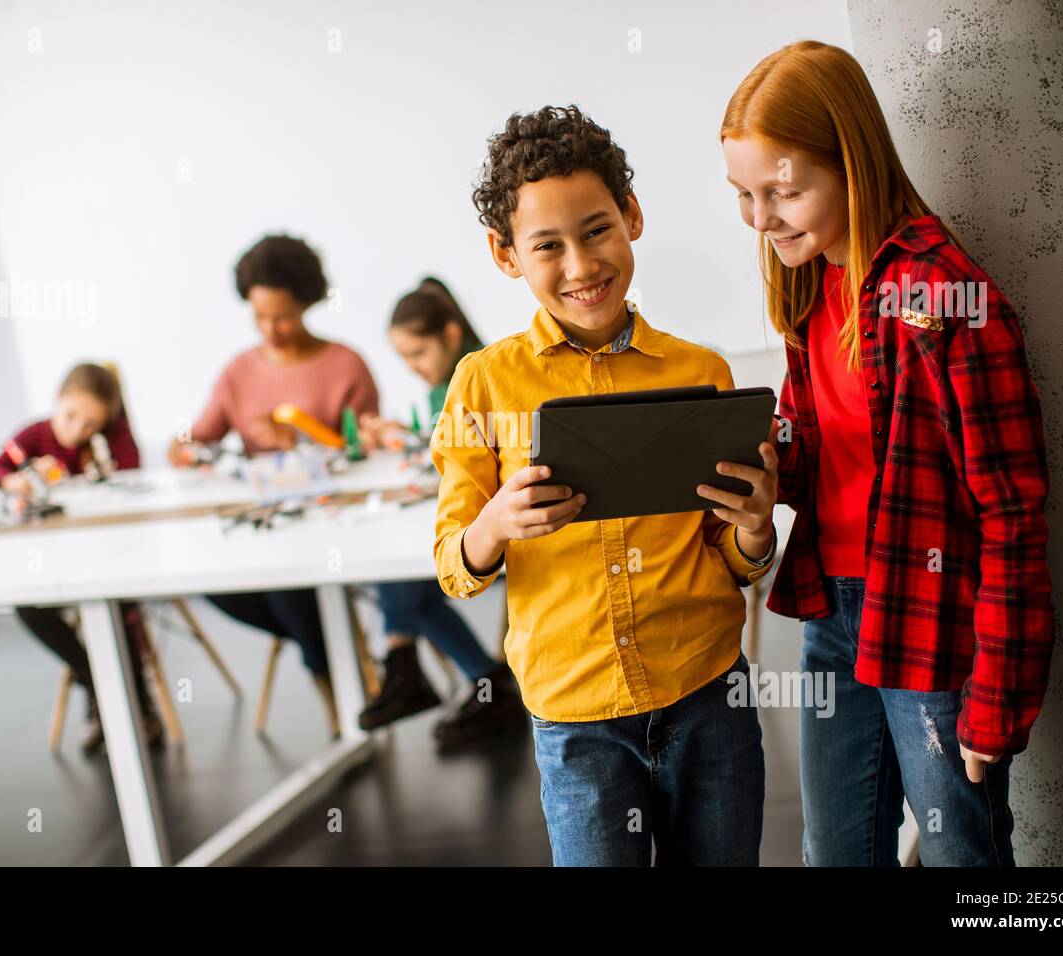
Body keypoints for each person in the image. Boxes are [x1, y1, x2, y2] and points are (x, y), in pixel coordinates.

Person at [720, 40, 1054, 866]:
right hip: (832, 613)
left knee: (960, 858)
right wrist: (761, 473)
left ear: (853, 164)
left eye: (784, 192)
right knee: (834, 849)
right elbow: (816, 451)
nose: (761, 219)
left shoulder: (947, 301)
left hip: (931, 621)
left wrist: (996, 701)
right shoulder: (810, 286)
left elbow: (1013, 516)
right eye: (743, 194)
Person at [433, 105, 778, 865]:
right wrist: (492, 526)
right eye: (546, 246)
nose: (582, 267)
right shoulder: (480, 386)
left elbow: (733, 553)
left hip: (709, 695)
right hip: (575, 718)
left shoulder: (703, 372)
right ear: (505, 254)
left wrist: (756, 527)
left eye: (597, 231)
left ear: (632, 217)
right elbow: (453, 567)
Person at [169, 234, 379, 732]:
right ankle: (337, 654)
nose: (271, 329)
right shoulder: (239, 371)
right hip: (265, 523)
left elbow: (368, 451)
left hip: (330, 526)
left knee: (289, 587)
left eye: (282, 316)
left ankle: (334, 685)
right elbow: (196, 437)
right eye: (260, 317)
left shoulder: (344, 365)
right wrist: (183, 449)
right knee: (216, 582)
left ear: (307, 303)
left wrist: (300, 436)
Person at [356, 277, 526, 749]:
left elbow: (484, 463)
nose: (412, 368)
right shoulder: (439, 387)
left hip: (504, 528)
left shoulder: (480, 376)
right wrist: (406, 440)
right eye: (403, 358)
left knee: (402, 581)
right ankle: (476, 680)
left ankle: (412, 666)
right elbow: (447, 454)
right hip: (468, 521)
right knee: (407, 584)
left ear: (449, 336)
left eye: (417, 354)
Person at [0, 363, 163, 753]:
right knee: (30, 607)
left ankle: (138, 705)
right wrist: (17, 478)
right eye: (71, 416)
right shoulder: (33, 436)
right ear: (57, 402)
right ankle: (98, 682)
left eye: (90, 423)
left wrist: (101, 460)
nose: (78, 429)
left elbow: (132, 477)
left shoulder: (111, 438)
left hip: (109, 556)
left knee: (116, 604)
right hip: (53, 560)